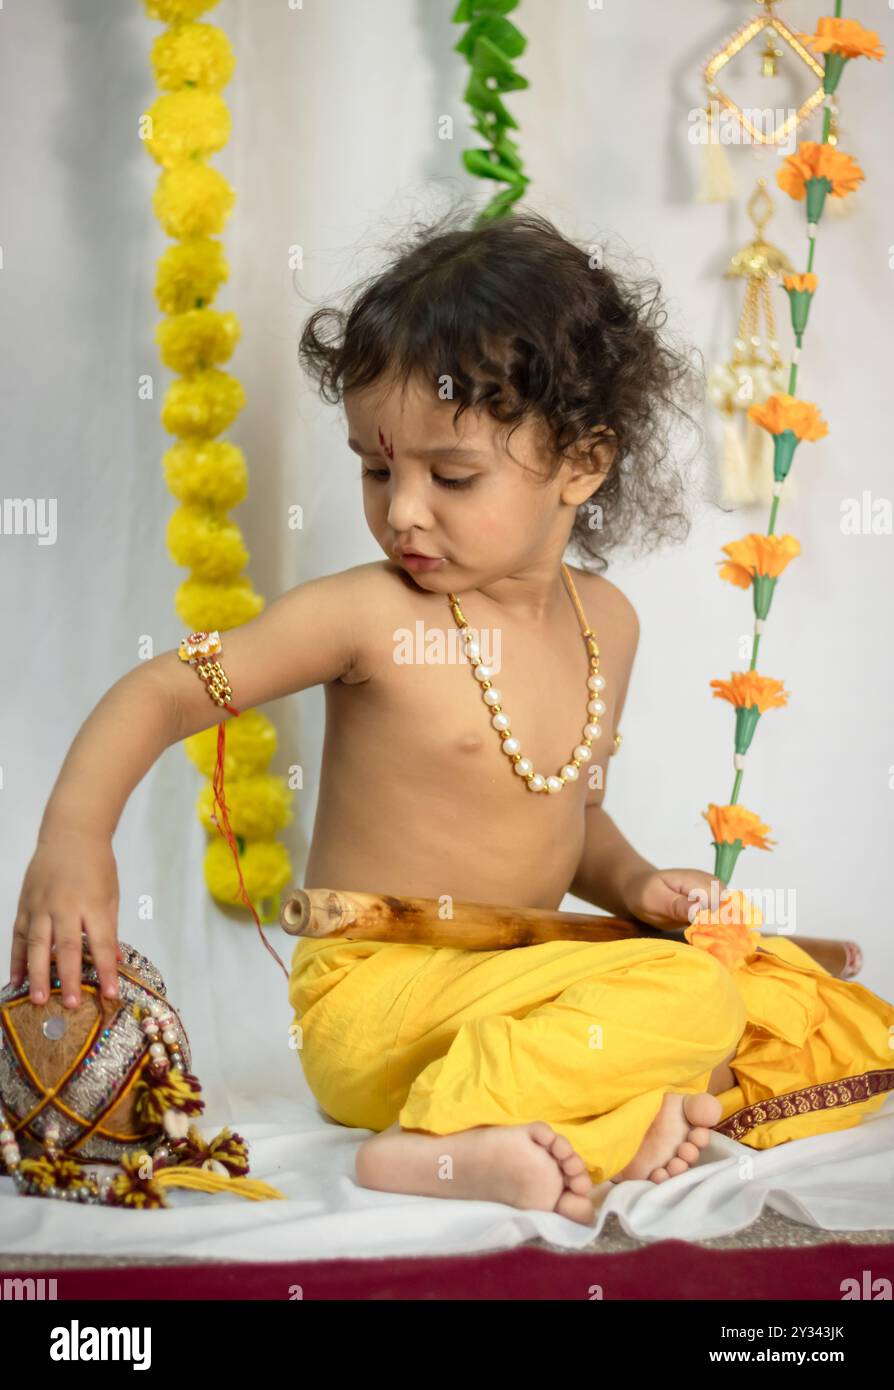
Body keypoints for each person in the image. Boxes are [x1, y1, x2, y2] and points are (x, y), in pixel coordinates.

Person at [10, 209, 894, 1227]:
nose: (403, 513)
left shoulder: (606, 622)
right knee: (690, 1003)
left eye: (451, 475)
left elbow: (564, 816)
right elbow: (163, 689)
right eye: (377, 469)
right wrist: (74, 836)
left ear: (582, 462)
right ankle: (422, 1148)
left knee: (765, 987)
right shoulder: (367, 614)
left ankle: (604, 1120)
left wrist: (636, 881)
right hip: (375, 1005)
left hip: (512, 982)